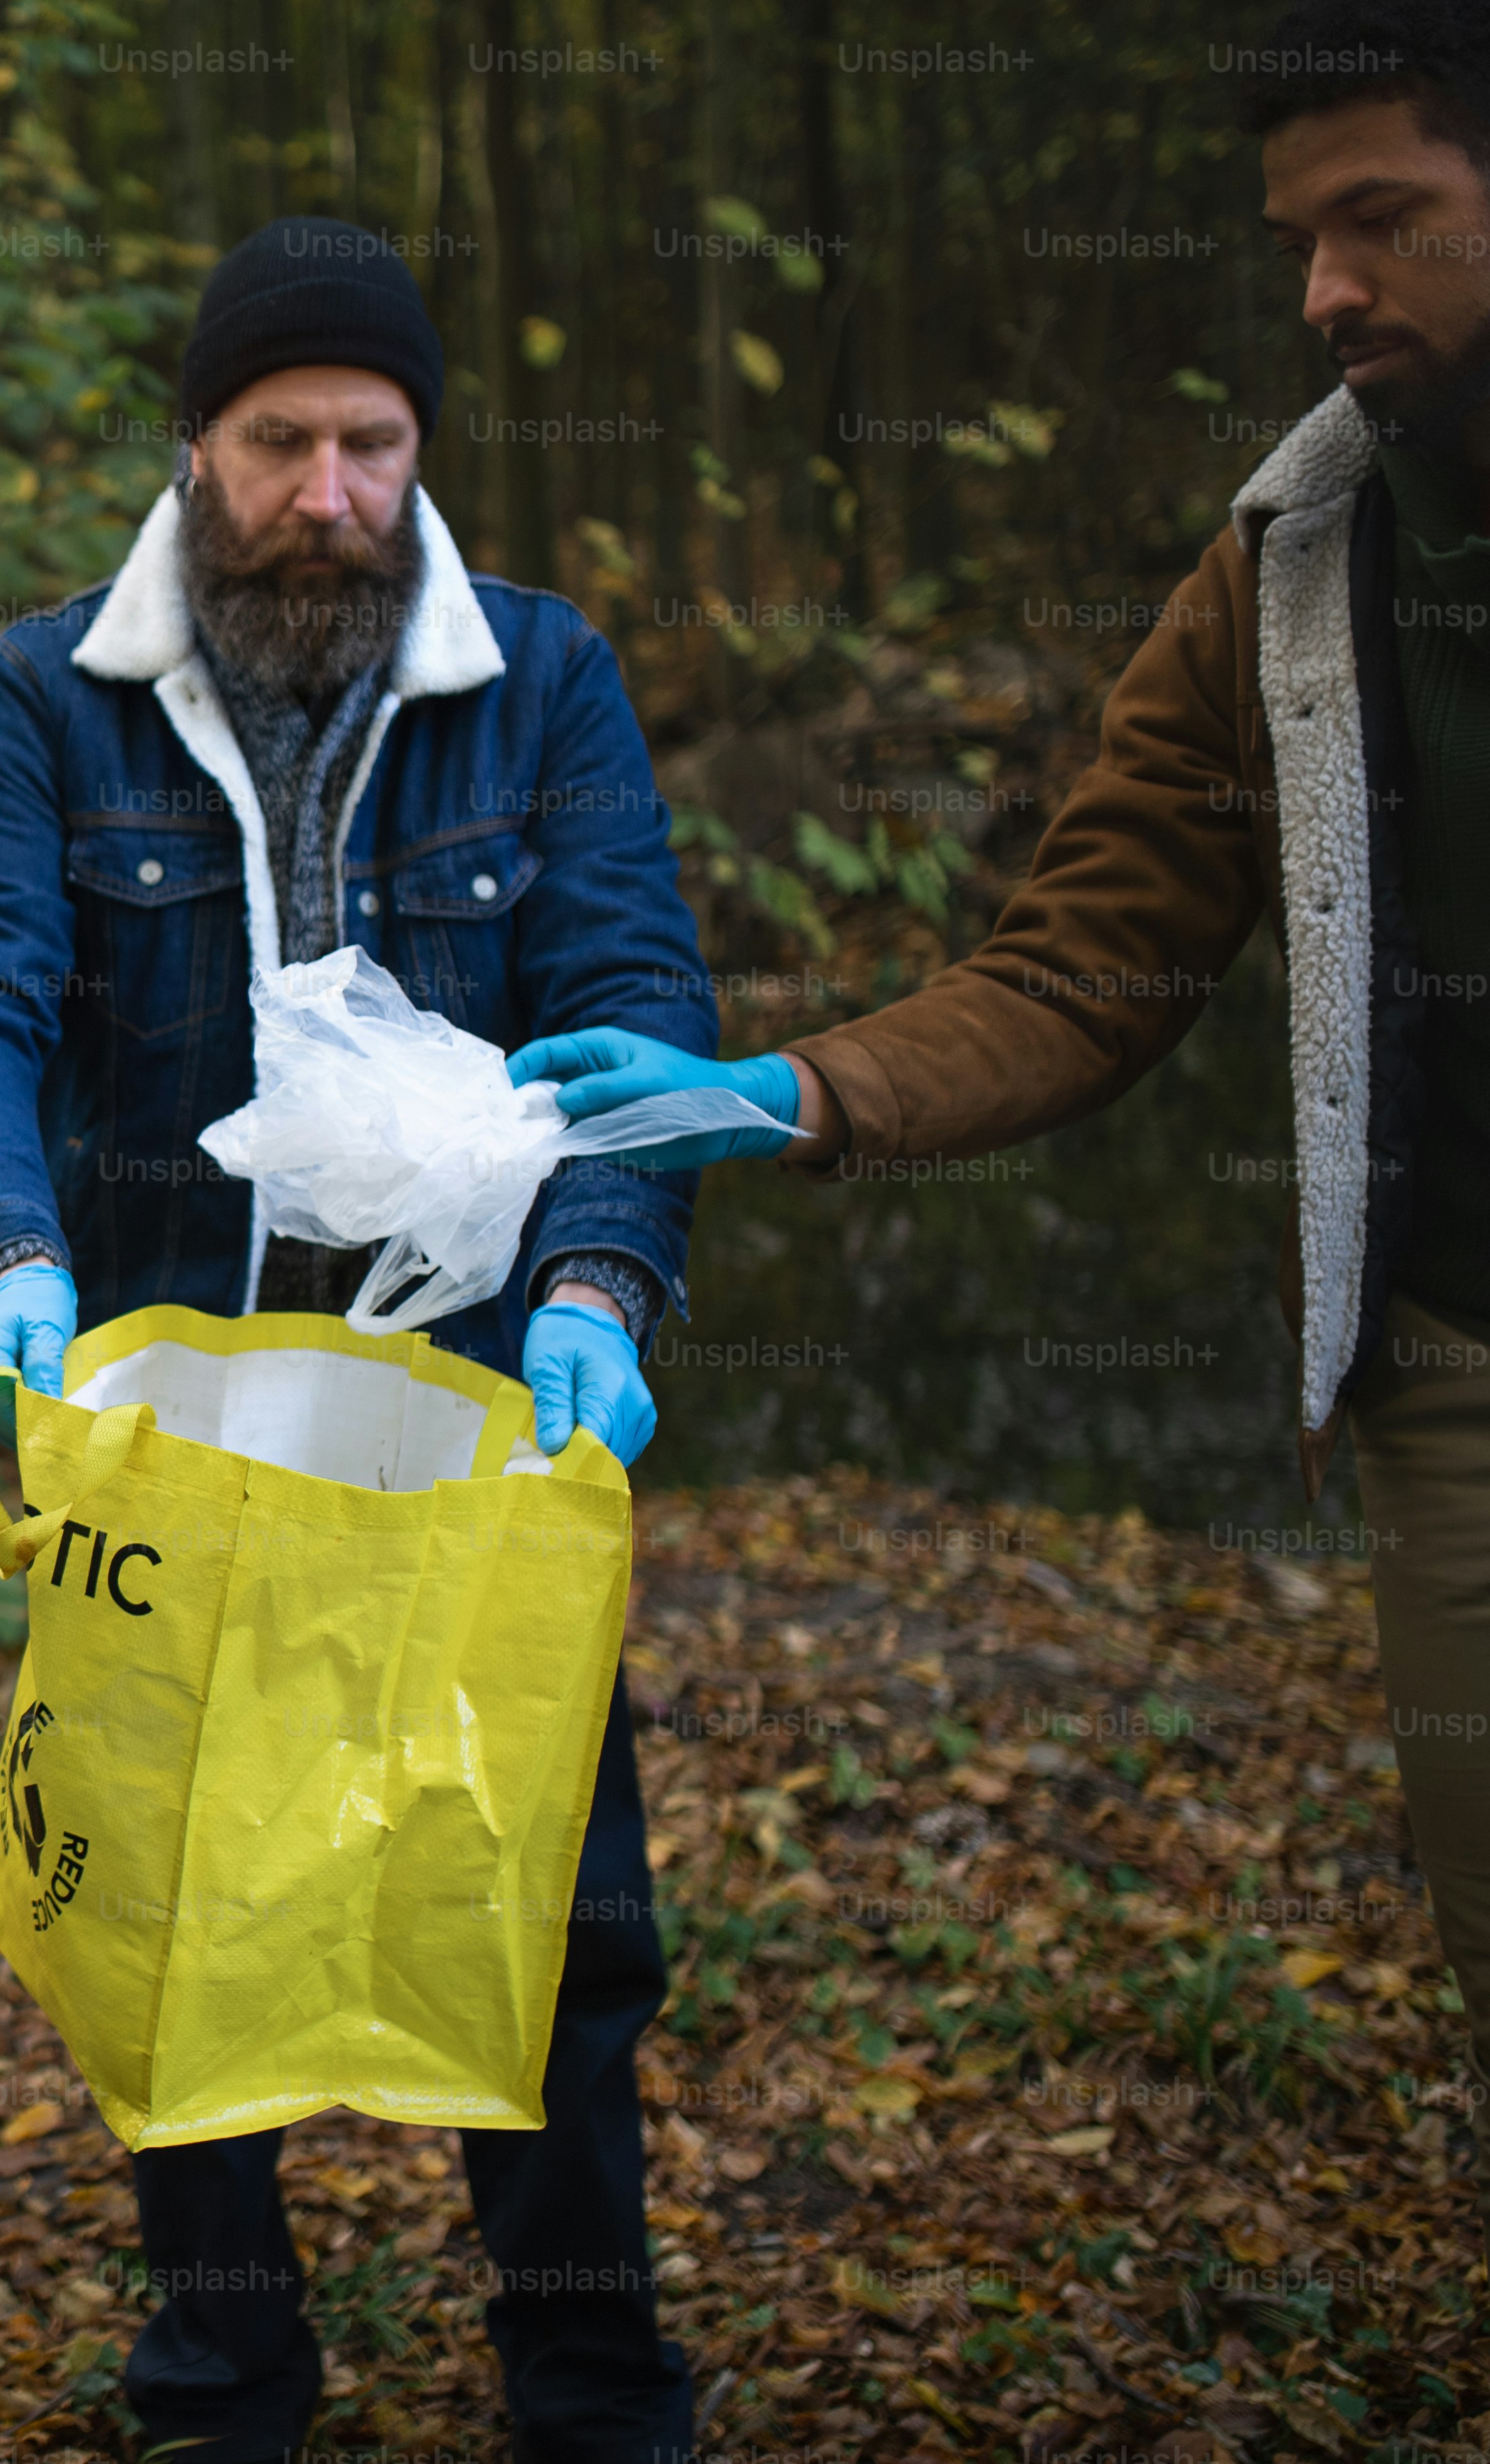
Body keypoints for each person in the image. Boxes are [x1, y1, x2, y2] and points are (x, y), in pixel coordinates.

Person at [513, 3, 1490, 2136]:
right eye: (1301, 238)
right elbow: (1083, 968)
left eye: (1384, 222)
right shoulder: (1286, 576)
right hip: (1451, 1388)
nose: (1327, 289)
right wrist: (773, 1093)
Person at [0, 220, 704, 2461]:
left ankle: (595, 2385)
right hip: (187, 1432)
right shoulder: (51, 695)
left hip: (477, 1438)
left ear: (420, 453)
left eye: (371, 442)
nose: (327, 490)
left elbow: (633, 1008)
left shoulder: (546, 684)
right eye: (279, 442)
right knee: (171, 1908)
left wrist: (607, 1288)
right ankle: (225, 2383)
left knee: (546, 1915)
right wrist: (9, 1263)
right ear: (195, 448)